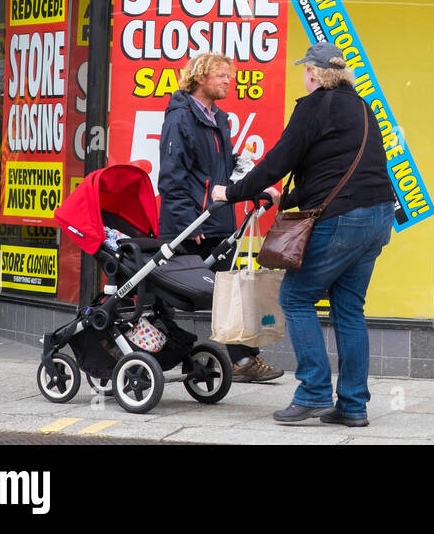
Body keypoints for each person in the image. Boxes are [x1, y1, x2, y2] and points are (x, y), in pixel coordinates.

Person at [212, 41, 395, 426]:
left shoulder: (314, 106)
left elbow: (278, 159)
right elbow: (337, 168)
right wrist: (287, 197)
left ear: (312, 73)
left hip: (344, 219)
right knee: (349, 309)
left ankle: (312, 391)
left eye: (305, 72)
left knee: (295, 297)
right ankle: (352, 405)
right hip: (378, 215)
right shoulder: (363, 107)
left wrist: (232, 192)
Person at [159, 52, 283, 383]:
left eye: (229, 75)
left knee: (229, 292)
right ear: (200, 78)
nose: (229, 80)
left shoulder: (221, 119)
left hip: (218, 221)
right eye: (221, 75)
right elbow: (172, 177)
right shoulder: (180, 119)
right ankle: (235, 359)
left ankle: (244, 360)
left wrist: (259, 185)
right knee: (175, 294)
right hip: (193, 226)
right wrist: (187, 222)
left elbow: (225, 166)